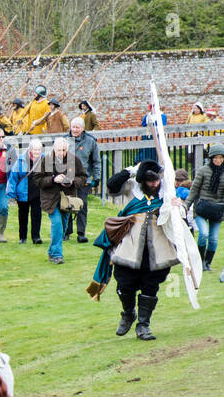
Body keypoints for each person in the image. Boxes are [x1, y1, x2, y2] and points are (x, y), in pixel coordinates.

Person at [91, 161, 187, 340]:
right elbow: (112, 185)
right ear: (142, 180)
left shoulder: (167, 192)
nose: (155, 184)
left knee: (150, 287)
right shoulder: (132, 188)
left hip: (157, 249)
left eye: (157, 180)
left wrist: (174, 207)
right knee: (125, 285)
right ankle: (128, 314)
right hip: (130, 246)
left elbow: (181, 217)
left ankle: (143, 325)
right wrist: (130, 171)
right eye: (150, 181)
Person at [32, 136, 86, 264]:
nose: (61, 153)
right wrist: (53, 179)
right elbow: (37, 179)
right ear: (54, 149)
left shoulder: (74, 160)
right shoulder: (46, 160)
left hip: (67, 200)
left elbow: (83, 177)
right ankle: (57, 255)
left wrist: (72, 182)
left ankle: (51, 251)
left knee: (62, 227)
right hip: (50, 199)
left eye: (63, 150)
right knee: (57, 225)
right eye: (58, 150)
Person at [187, 144, 224, 271]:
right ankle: (200, 261)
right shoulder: (203, 170)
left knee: (213, 239)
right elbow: (194, 190)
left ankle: (207, 263)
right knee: (203, 234)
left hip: (217, 210)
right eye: (215, 158)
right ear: (211, 158)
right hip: (202, 208)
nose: (218, 160)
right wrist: (186, 205)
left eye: (221, 158)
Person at [66, 116, 100, 243]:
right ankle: (66, 231)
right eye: (73, 127)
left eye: (77, 127)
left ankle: (81, 233)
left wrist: (96, 177)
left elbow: (96, 161)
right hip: (67, 177)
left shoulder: (90, 141)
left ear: (83, 128)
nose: (74, 130)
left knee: (82, 204)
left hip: (84, 178)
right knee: (67, 204)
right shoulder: (64, 139)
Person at [7, 138, 44, 244]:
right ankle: (22, 237)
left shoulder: (44, 160)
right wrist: (11, 193)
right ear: (30, 149)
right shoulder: (21, 160)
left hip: (37, 193)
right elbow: (13, 177)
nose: (37, 152)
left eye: (39, 150)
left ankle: (36, 237)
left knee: (36, 215)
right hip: (23, 192)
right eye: (35, 149)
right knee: (23, 216)